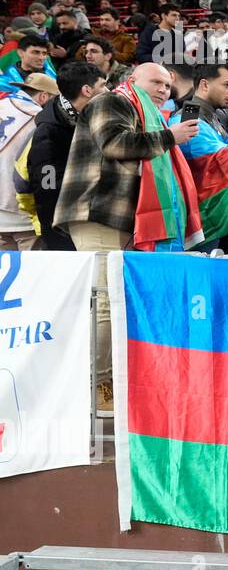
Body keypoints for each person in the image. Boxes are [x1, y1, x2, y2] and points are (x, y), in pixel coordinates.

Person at [54, 62, 202, 410]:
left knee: (112, 298)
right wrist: (170, 137)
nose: (164, 90)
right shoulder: (112, 101)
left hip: (113, 216)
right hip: (97, 212)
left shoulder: (138, 109)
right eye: (157, 82)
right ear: (132, 80)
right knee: (105, 300)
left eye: (168, 86)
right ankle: (97, 388)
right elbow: (115, 144)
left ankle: (105, 384)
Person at [168, 61, 228, 253]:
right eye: (226, 85)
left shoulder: (214, 115)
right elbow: (206, 159)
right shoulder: (189, 114)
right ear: (204, 85)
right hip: (206, 214)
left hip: (220, 210)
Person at [23, 63, 106, 250]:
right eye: (103, 85)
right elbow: (47, 185)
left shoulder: (85, 117)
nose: (108, 91)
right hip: (62, 229)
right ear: (87, 90)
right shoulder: (49, 130)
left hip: (81, 220)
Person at [0, 74, 58, 250]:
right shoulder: (41, 118)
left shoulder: (2, 104)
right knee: (31, 273)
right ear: (43, 96)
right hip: (20, 211)